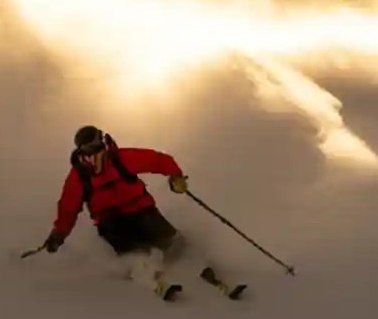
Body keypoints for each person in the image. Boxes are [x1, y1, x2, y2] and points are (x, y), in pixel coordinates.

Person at [41, 125, 242, 300]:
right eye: (88, 149)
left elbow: (159, 160)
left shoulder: (121, 159)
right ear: (81, 151)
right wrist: (58, 235)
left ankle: (204, 269)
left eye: (96, 146)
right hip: (110, 221)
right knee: (135, 251)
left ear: (102, 141)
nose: (94, 153)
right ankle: (148, 273)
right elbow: (68, 208)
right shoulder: (78, 177)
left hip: (142, 211)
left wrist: (176, 177)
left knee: (173, 243)